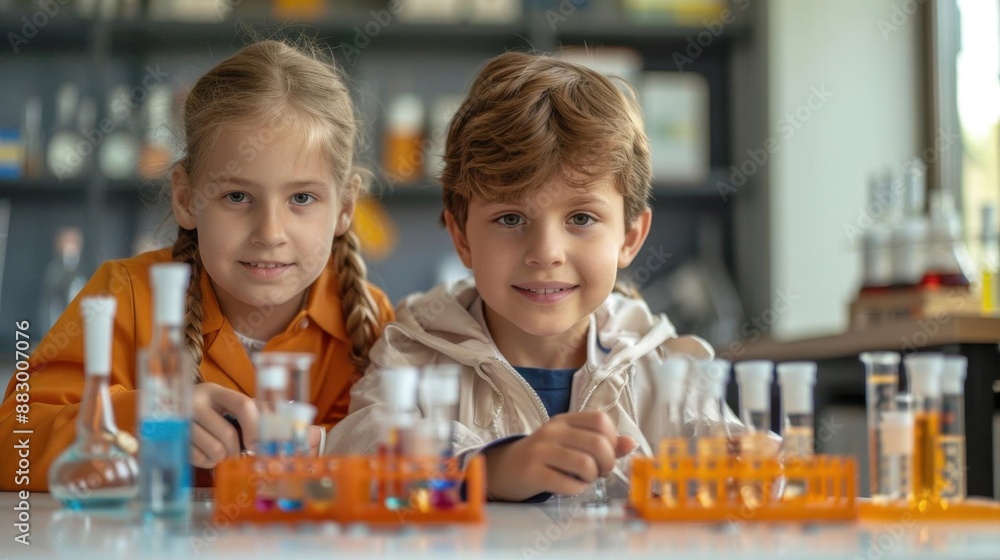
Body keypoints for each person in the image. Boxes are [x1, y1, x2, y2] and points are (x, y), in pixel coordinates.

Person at [326, 51, 741, 501]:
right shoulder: (415, 354)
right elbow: (355, 458)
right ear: (462, 237)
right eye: (509, 219)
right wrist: (491, 469)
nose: (545, 254)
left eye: (581, 219)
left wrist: (744, 464)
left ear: (630, 237)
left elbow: (733, 457)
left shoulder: (663, 365)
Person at [0, 39, 393, 491]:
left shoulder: (370, 320)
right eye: (237, 196)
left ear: (345, 207)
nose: (270, 232)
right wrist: (150, 417)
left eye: (301, 198)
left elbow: (414, 472)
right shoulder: (123, 296)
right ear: (187, 198)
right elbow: (13, 443)